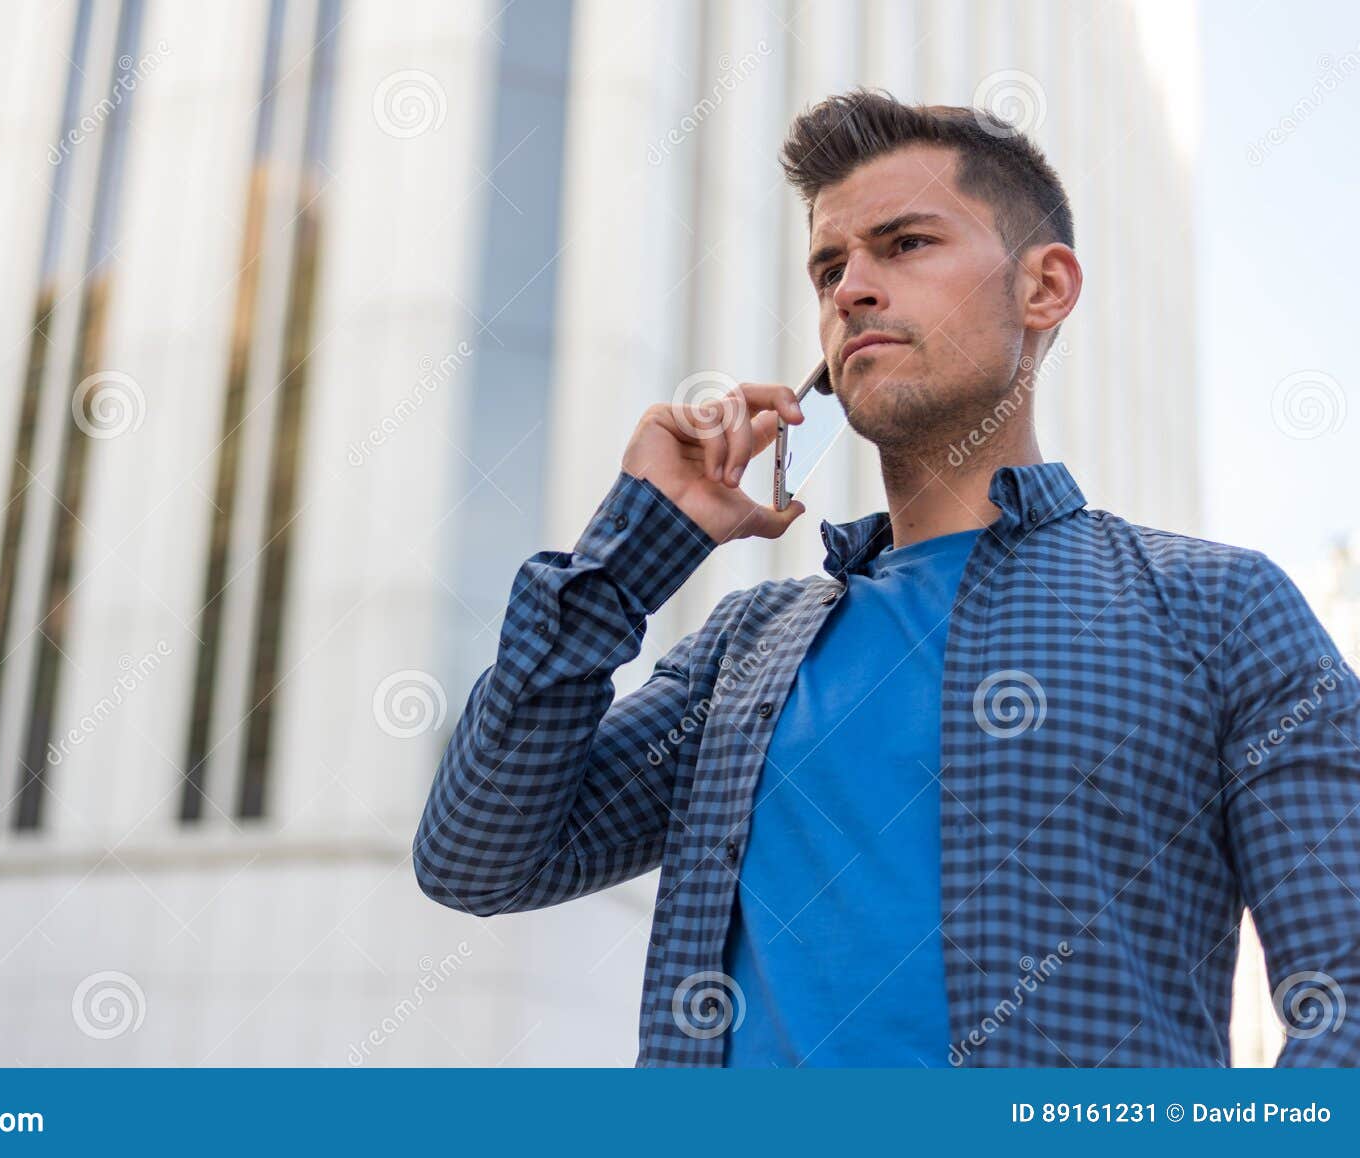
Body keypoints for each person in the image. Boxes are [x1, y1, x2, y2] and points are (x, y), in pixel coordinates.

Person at [412, 88, 1360, 1067]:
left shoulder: (1218, 609)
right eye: (829, 266)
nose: (850, 288)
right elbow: (480, 859)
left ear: (1043, 288)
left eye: (904, 244)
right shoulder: (746, 650)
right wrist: (629, 556)